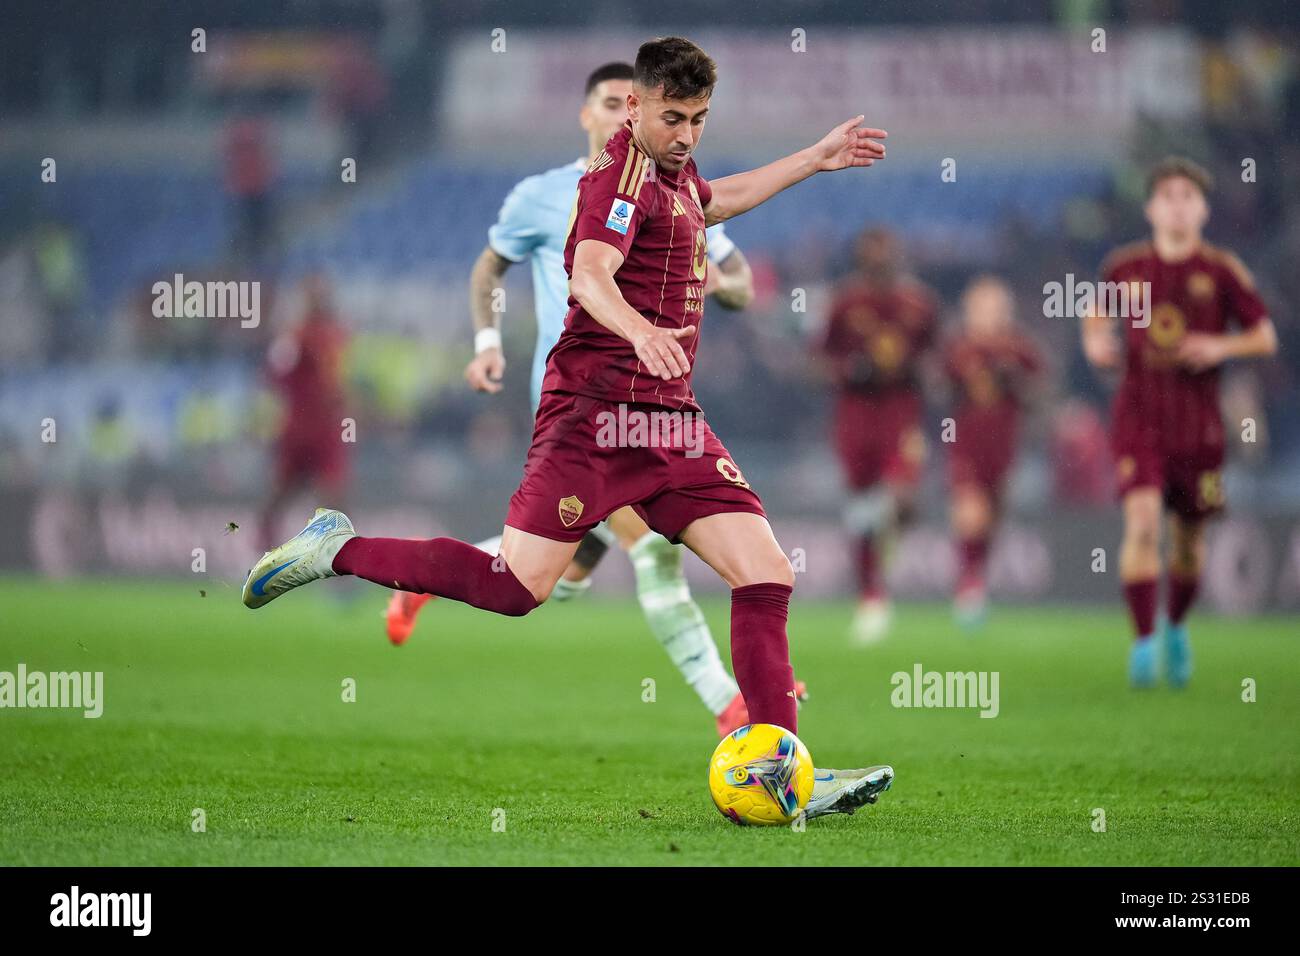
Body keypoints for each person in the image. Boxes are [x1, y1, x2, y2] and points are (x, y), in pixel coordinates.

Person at [244, 36, 893, 819]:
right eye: (673, 117)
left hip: (670, 422)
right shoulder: (615, 177)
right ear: (639, 104)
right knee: (517, 589)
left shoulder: (676, 173)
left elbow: (717, 199)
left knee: (765, 573)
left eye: (700, 119)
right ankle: (335, 548)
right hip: (591, 420)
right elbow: (588, 273)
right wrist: (639, 330)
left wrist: (812, 159)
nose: (687, 134)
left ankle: (787, 770)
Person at [384, 61, 785, 738]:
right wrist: (486, 341)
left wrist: (702, 280)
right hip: (582, 404)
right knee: (652, 552)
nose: (617, 118)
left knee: (564, 573)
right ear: (591, 112)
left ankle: (428, 574)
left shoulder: (674, 186)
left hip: (655, 396)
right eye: (607, 104)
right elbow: (491, 267)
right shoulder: (546, 194)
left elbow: (743, 284)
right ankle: (729, 702)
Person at [1081, 157, 1277, 688]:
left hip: (1200, 427)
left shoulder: (1221, 270)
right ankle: (1143, 641)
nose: (1176, 204)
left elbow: (1264, 335)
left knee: (1189, 541)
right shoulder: (1126, 267)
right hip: (1139, 418)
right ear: (1151, 207)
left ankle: (1176, 625)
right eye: (1167, 194)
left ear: (1203, 209)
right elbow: (1095, 312)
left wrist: (1220, 343)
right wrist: (1097, 341)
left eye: (1187, 196)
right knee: (1142, 523)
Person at [818, 227, 938, 643]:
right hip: (855, 413)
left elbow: (938, 356)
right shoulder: (845, 301)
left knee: (902, 496)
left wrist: (924, 374)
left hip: (901, 411)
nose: (880, 259)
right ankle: (871, 594)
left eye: (886, 251)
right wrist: (848, 370)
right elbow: (818, 358)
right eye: (872, 252)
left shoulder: (918, 304)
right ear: (860, 257)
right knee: (862, 510)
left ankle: (885, 558)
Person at [941, 276, 1043, 626]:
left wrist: (1014, 382)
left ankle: (976, 578)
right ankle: (968, 587)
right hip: (964, 444)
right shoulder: (958, 348)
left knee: (992, 518)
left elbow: (1041, 392)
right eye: (981, 307)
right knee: (971, 512)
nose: (988, 314)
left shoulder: (1019, 349)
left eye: (995, 307)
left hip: (1003, 445)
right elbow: (939, 386)